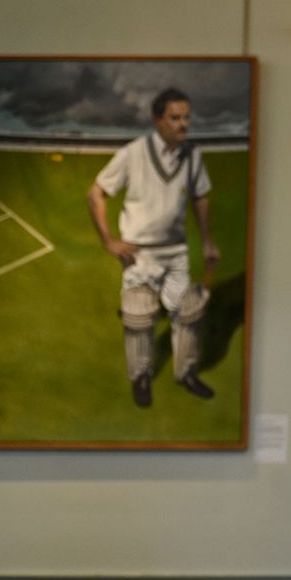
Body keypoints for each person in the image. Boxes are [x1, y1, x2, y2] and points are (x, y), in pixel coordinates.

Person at [88, 87, 219, 408]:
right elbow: (96, 193)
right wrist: (108, 240)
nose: (182, 124)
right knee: (139, 317)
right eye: (175, 118)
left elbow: (200, 197)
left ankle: (186, 373)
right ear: (158, 120)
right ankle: (141, 376)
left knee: (187, 314)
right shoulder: (133, 153)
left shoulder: (193, 155)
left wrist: (206, 240)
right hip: (139, 253)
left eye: (186, 117)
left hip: (175, 251)